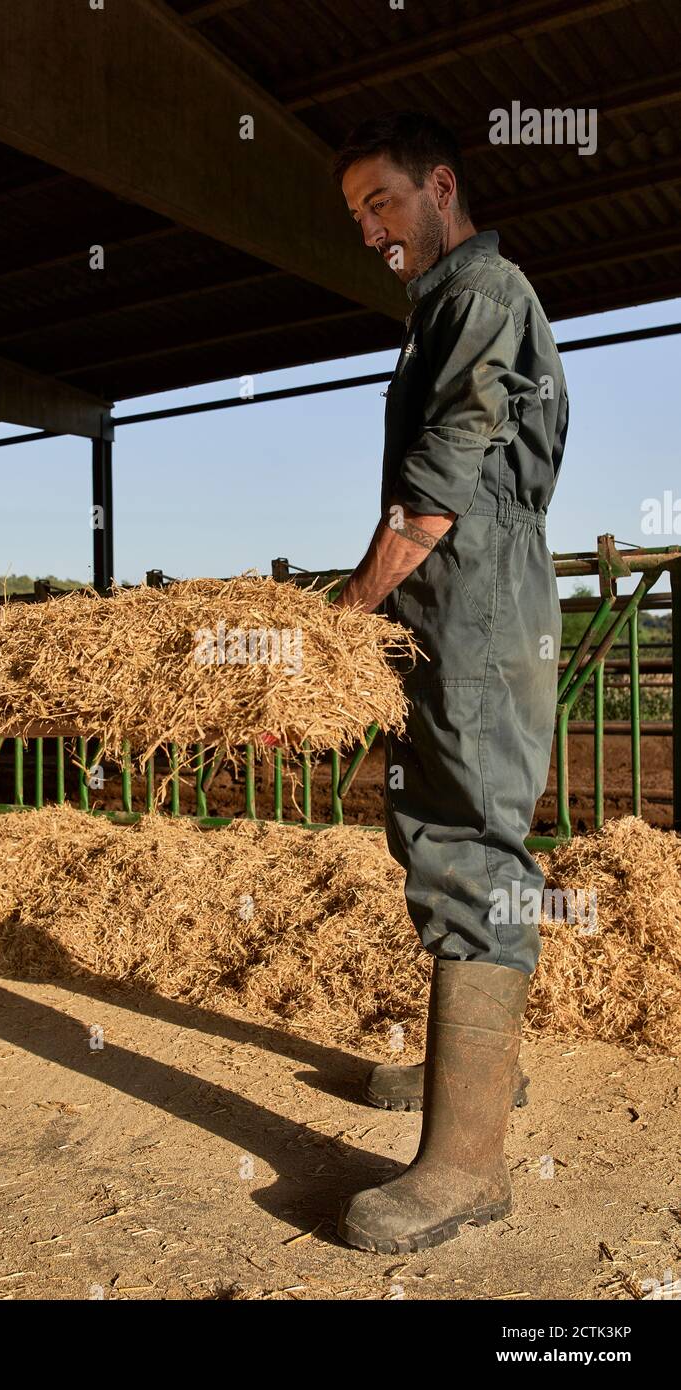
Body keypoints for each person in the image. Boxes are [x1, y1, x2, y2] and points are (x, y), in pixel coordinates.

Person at [330, 111, 567, 1254]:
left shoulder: (482, 296)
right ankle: (472, 1077)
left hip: (474, 601)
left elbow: (432, 498)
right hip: (452, 600)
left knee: (470, 837)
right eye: (356, 217)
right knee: (434, 822)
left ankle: (466, 1165)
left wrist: (345, 612)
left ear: (438, 185)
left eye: (380, 202)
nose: (371, 229)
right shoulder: (444, 306)